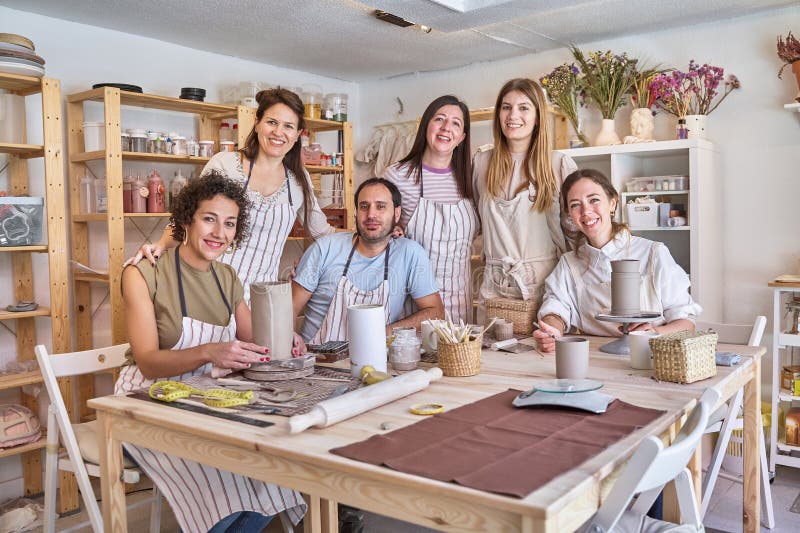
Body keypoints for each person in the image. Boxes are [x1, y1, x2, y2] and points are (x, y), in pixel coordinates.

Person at [115, 171, 306, 532]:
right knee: (220, 476)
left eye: (230, 223)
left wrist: (286, 339)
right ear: (187, 218)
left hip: (204, 397)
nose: (220, 233)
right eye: (209, 219)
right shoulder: (144, 273)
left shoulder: (227, 277)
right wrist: (209, 352)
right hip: (144, 400)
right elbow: (149, 363)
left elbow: (257, 343)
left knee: (274, 473)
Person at [130, 88, 335, 300]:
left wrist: (363, 236)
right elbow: (187, 219)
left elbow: (322, 233)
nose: (278, 132)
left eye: (288, 126)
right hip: (210, 290)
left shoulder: (299, 181)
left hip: (260, 298)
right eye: (272, 122)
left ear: (298, 134)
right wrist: (161, 245)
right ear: (257, 123)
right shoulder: (225, 164)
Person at [533, 169, 701, 352]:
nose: (586, 211)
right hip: (595, 358)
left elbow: (686, 323)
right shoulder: (569, 264)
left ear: (612, 203)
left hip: (652, 355)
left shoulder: (653, 253)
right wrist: (551, 331)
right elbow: (555, 309)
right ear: (570, 215)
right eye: (575, 205)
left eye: (594, 200)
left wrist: (655, 332)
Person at [472, 78, 578, 320]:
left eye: (523, 107)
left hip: (545, 289)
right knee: (491, 357)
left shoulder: (558, 164)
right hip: (494, 289)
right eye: (506, 107)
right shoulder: (481, 163)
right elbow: (475, 222)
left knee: (541, 356)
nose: (513, 115)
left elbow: (576, 235)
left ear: (538, 116)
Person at [293, 177, 445, 342]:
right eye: (364, 207)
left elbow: (436, 313)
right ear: (356, 212)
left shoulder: (409, 253)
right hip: (318, 358)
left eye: (381, 206)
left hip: (377, 357)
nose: (371, 215)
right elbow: (289, 308)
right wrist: (291, 338)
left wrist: (384, 333)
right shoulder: (324, 249)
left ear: (397, 213)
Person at [383, 95, 479, 323]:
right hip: (414, 305)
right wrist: (391, 233)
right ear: (426, 125)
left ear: (462, 137)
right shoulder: (397, 176)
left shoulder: (471, 180)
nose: (447, 128)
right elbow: (374, 234)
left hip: (460, 303)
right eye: (440, 119)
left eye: (456, 123)